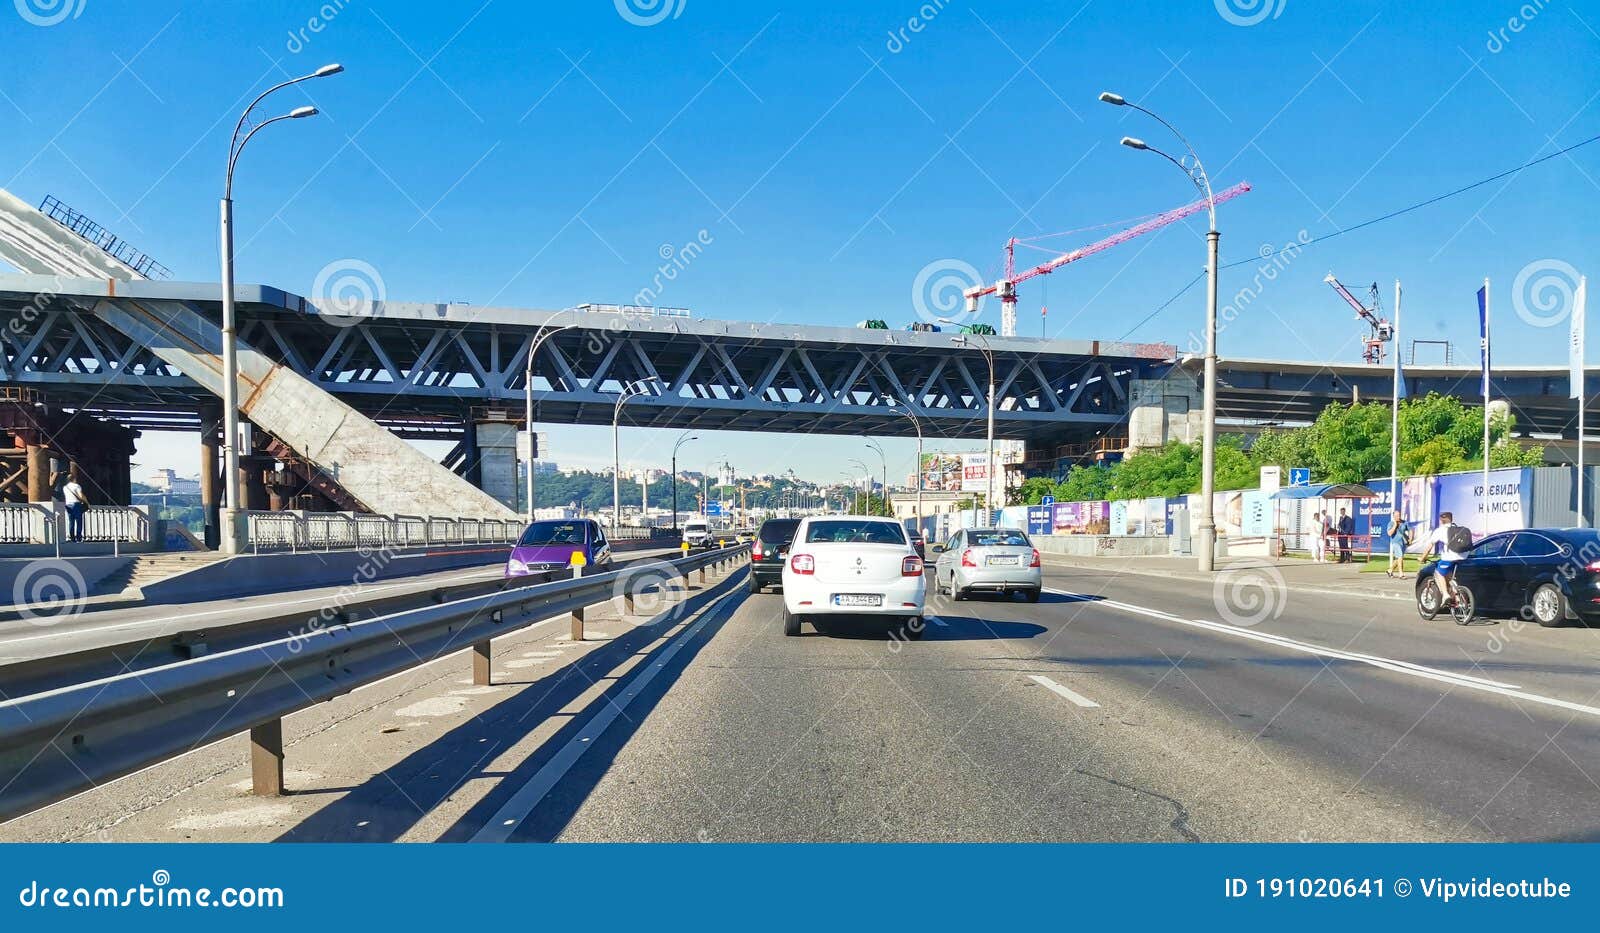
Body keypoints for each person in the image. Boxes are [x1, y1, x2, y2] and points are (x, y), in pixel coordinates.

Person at [1420, 511, 1472, 602]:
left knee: (1439, 572)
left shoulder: (1440, 530)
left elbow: (1429, 546)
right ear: (1451, 520)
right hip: (1463, 557)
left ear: (1441, 520)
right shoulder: (1458, 529)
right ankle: (1456, 597)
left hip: (1450, 557)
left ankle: (1445, 594)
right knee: (1449, 575)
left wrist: (1422, 558)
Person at [1385, 510, 1413, 578]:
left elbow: (1410, 530)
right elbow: (1389, 533)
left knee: (1398, 558)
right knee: (1400, 557)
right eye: (1396, 516)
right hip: (1395, 542)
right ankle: (1401, 574)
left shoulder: (1404, 522)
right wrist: (1395, 525)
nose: (1398, 517)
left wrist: (1410, 538)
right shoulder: (1391, 523)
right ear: (1394, 516)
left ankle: (1390, 570)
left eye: (1399, 515)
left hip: (1403, 542)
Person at [61, 469, 87, 542]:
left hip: (68, 505)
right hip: (76, 504)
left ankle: (72, 538)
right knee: (79, 521)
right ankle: (79, 537)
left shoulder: (65, 487)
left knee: (71, 521)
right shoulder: (77, 486)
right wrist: (86, 502)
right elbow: (81, 496)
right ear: (74, 479)